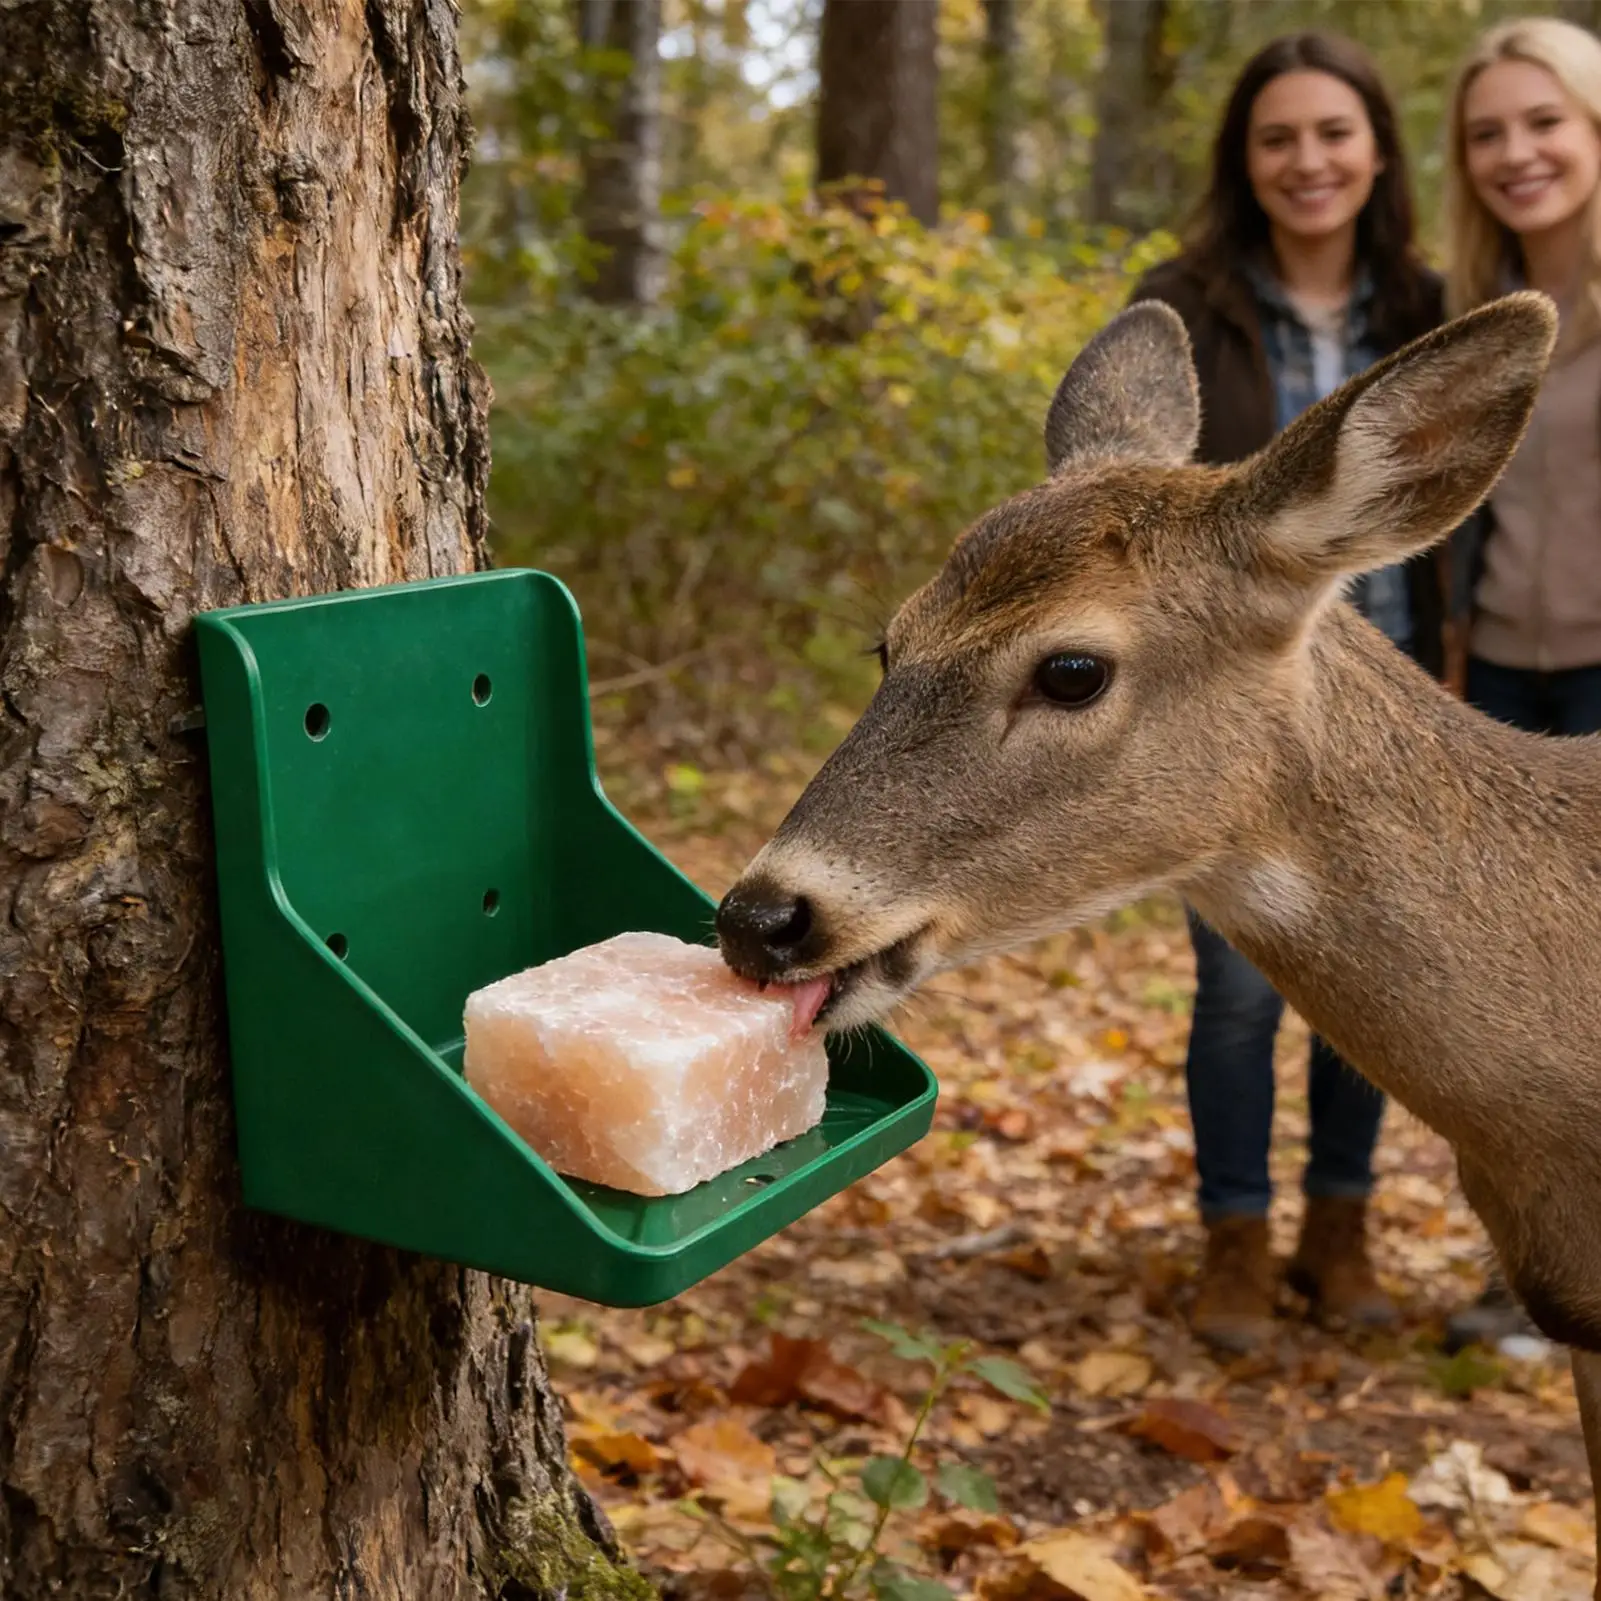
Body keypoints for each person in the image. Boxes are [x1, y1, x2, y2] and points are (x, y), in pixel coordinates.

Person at [1128, 31, 1451, 1355]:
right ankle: (1236, 1241)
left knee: (1363, 986)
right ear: (1244, 161)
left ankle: (1341, 1225)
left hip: (1394, 703)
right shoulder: (1185, 305)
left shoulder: (1429, 307)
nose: (1307, 161)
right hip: (1240, 716)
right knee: (1241, 992)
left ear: (1376, 149)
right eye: (1278, 139)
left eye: (1332, 133)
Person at [1436, 15, 1601, 1354]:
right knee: (1508, 988)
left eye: (1544, 122)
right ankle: (1522, 1268)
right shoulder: (1473, 330)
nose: (1517, 152)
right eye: (1487, 133)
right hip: (1497, 664)